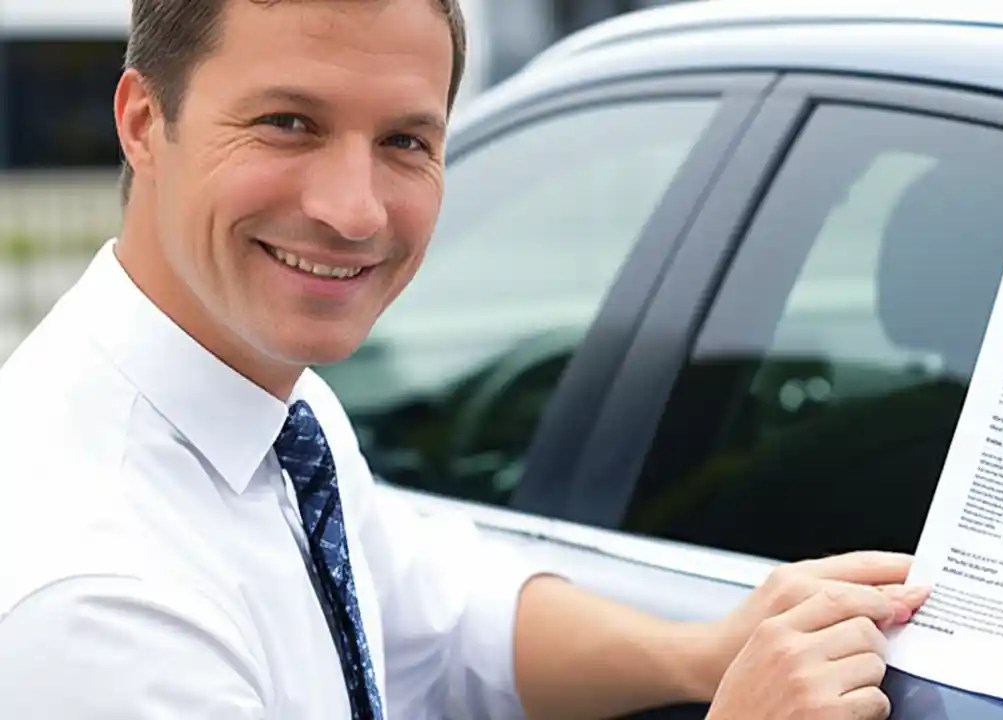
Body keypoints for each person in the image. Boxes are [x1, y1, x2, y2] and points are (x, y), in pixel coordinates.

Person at [0, 1, 929, 718]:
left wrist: (708, 649)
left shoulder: (277, 408)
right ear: (140, 121)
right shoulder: (98, 602)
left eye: (405, 141)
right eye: (288, 123)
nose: (355, 209)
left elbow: (444, 626)